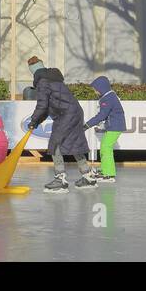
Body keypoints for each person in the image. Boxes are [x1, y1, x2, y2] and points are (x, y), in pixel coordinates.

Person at [25, 56, 96, 192]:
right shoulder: (54, 79)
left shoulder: (42, 82)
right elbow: (48, 106)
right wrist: (38, 121)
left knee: (55, 143)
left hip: (65, 115)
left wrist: (33, 121)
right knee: (74, 143)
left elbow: (42, 105)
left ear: (33, 71)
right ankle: (88, 176)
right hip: (75, 111)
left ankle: (60, 179)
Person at [85, 75, 126, 183]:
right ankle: (105, 170)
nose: (95, 92)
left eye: (96, 90)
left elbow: (102, 115)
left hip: (115, 127)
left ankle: (109, 174)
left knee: (106, 148)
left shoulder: (108, 98)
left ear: (101, 88)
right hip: (114, 126)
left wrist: (87, 125)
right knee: (104, 147)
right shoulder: (109, 96)